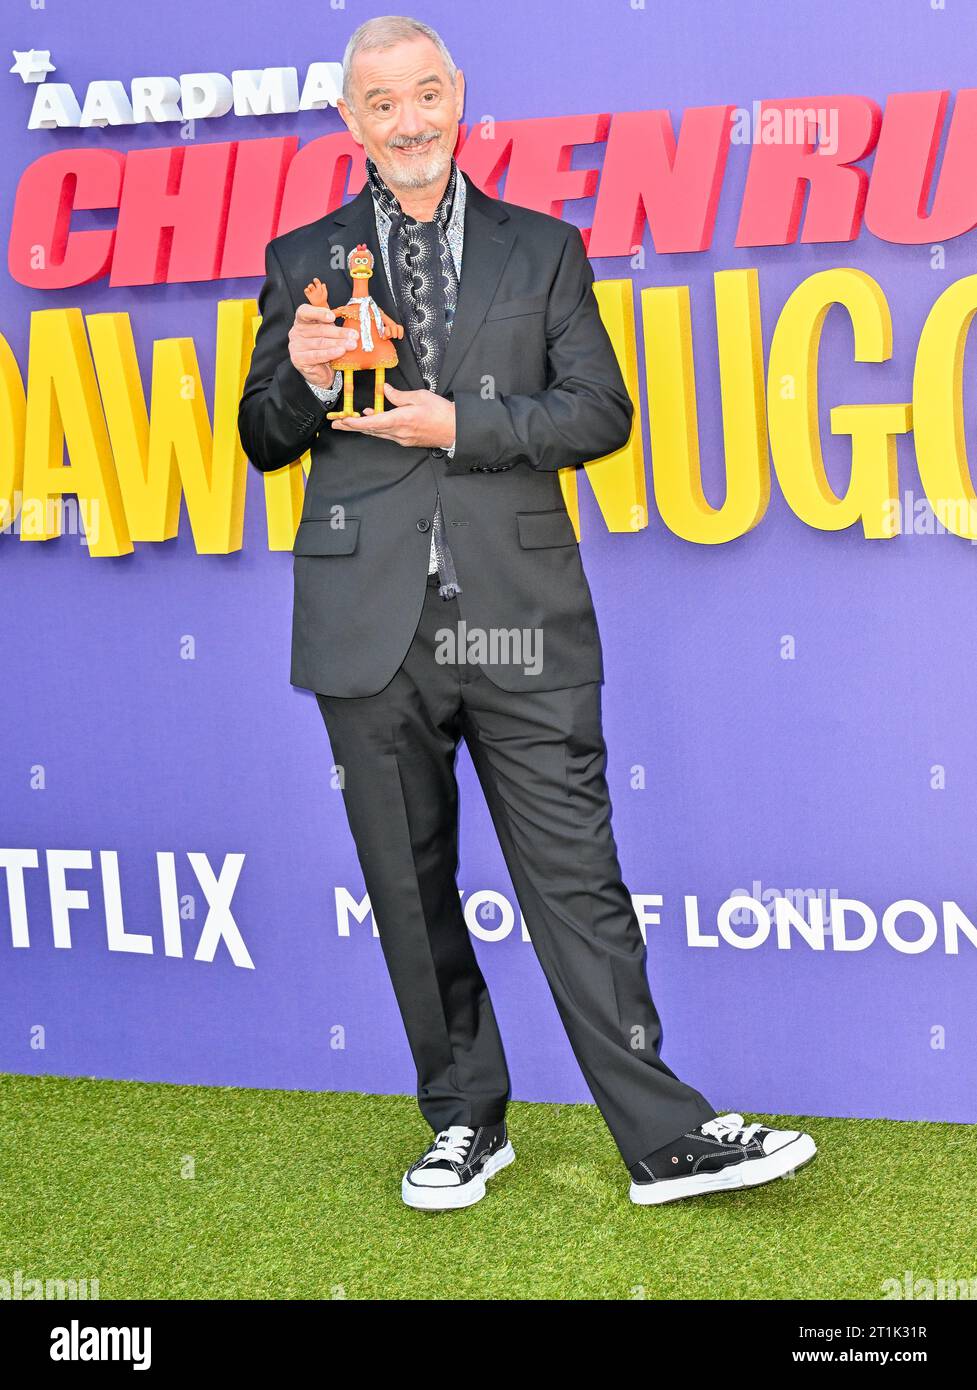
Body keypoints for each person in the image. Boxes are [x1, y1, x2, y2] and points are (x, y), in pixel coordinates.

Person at [238, 14, 818, 1210]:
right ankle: (463, 1121)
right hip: (367, 623)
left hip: (520, 618)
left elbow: (596, 415)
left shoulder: (542, 248)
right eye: (379, 102)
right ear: (349, 121)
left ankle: (664, 1135)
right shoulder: (302, 257)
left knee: (577, 879)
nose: (407, 121)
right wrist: (297, 372)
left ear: (458, 98)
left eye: (424, 94)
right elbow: (259, 438)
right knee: (407, 883)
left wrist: (462, 426)